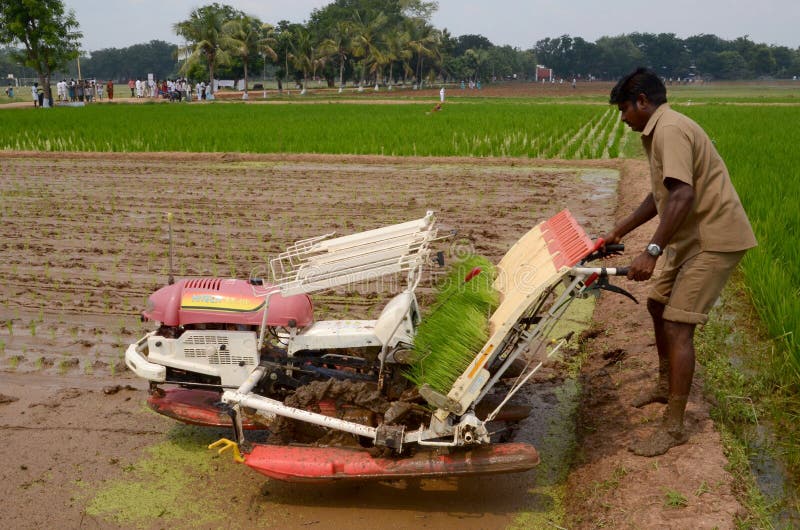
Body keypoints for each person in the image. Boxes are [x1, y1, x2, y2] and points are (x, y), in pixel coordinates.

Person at [602, 67, 757, 456]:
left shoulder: (668, 130)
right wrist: (619, 231)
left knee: (677, 324)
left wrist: (651, 251)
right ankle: (662, 383)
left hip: (713, 238)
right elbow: (661, 196)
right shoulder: (659, 130)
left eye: (624, 110)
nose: (622, 119)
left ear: (642, 102)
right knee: (657, 303)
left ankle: (674, 427)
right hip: (691, 236)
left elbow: (683, 196)